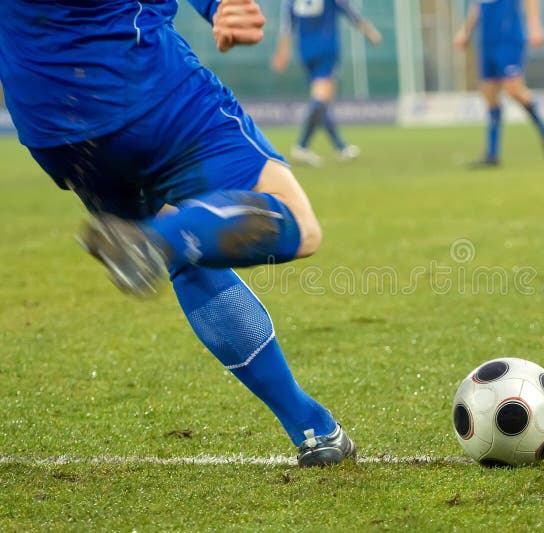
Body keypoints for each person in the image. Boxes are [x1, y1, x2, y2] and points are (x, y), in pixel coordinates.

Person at [0, 0, 355, 467]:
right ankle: (153, 241)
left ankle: (315, 430)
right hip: (139, 81)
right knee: (296, 223)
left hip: (49, 121)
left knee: (190, 246)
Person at [272, 0, 383, 167]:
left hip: (305, 51)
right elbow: (351, 13)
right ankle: (317, 146)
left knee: (322, 100)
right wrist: (370, 32)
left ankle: (324, 147)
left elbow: (287, 27)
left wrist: (282, 52)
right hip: (326, 49)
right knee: (320, 99)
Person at [454, 0, 544, 167]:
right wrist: (465, 31)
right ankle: (492, 154)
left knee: (514, 90)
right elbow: (477, 6)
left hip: (508, 39)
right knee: (488, 93)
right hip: (487, 41)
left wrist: (535, 26)